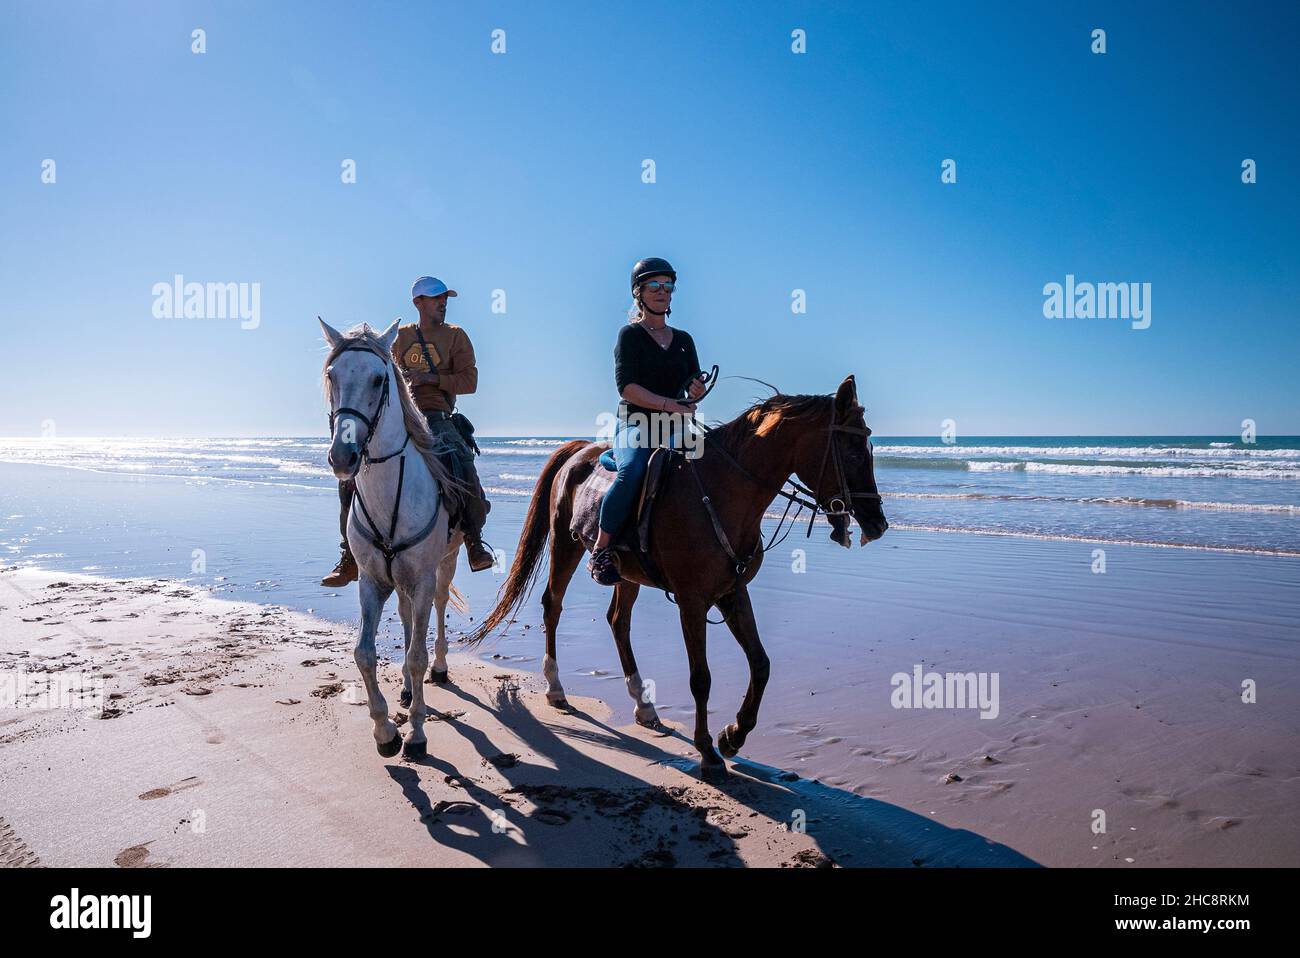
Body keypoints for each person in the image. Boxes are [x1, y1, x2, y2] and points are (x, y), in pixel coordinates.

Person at [320, 275, 495, 586]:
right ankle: (349, 555)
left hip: (438, 416)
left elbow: (470, 382)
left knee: (462, 463)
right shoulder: (397, 338)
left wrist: (431, 379)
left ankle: (474, 540)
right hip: (396, 418)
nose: (443, 303)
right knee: (352, 473)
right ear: (419, 303)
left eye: (445, 298)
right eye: (437, 298)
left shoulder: (456, 336)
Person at [589, 257, 707, 585]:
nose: (662, 291)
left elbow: (692, 388)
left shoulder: (684, 340)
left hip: (675, 428)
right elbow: (626, 388)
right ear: (638, 293)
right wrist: (671, 404)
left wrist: (696, 391)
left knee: (707, 466)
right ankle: (602, 548)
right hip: (635, 424)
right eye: (653, 285)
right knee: (633, 472)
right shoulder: (630, 336)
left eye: (667, 286)